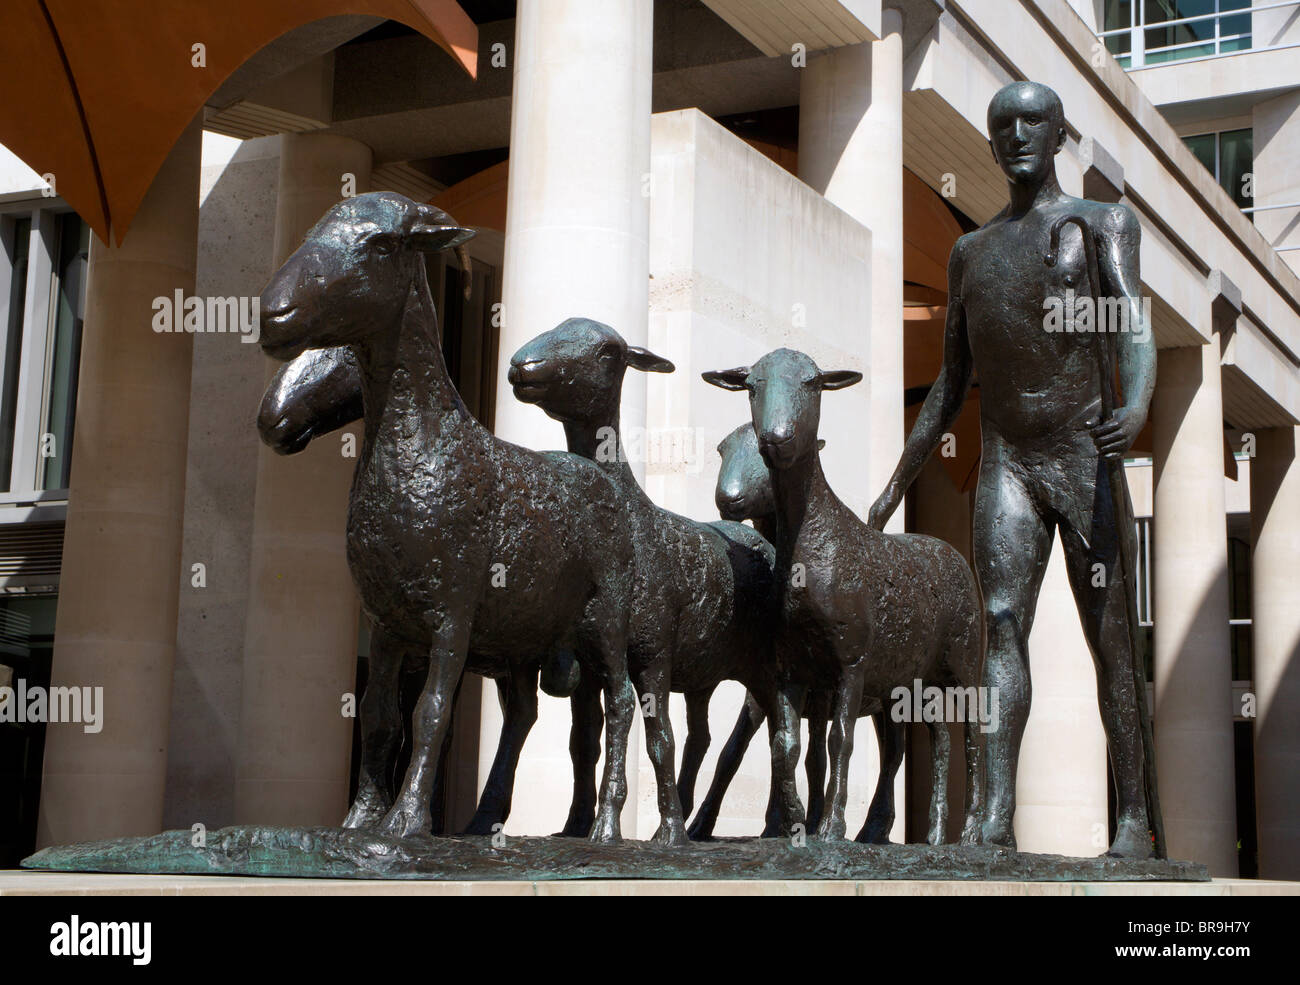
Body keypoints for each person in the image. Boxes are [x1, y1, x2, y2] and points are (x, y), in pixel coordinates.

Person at [868, 81, 1156, 858]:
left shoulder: (1103, 224)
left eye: (1034, 122)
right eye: (1004, 125)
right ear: (990, 143)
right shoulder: (971, 253)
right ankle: (995, 815)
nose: (1018, 134)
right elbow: (948, 387)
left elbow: (1133, 324)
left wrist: (1134, 407)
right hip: (1010, 464)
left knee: (1111, 642)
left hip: (1084, 454)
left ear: (1060, 134)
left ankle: (1133, 817)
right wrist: (897, 483)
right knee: (1000, 623)